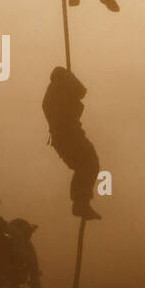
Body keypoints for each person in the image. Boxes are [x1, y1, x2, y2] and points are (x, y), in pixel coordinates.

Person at [42, 66, 102, 220]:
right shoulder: (58, 92)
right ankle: (81, 204)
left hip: (64, 138)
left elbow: (80, 93)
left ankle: (81, 203)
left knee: (85, 166)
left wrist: (69, 79)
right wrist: (71, 78)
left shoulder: (53, 93)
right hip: (70, 136)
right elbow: (82, 92)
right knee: (89, 164)